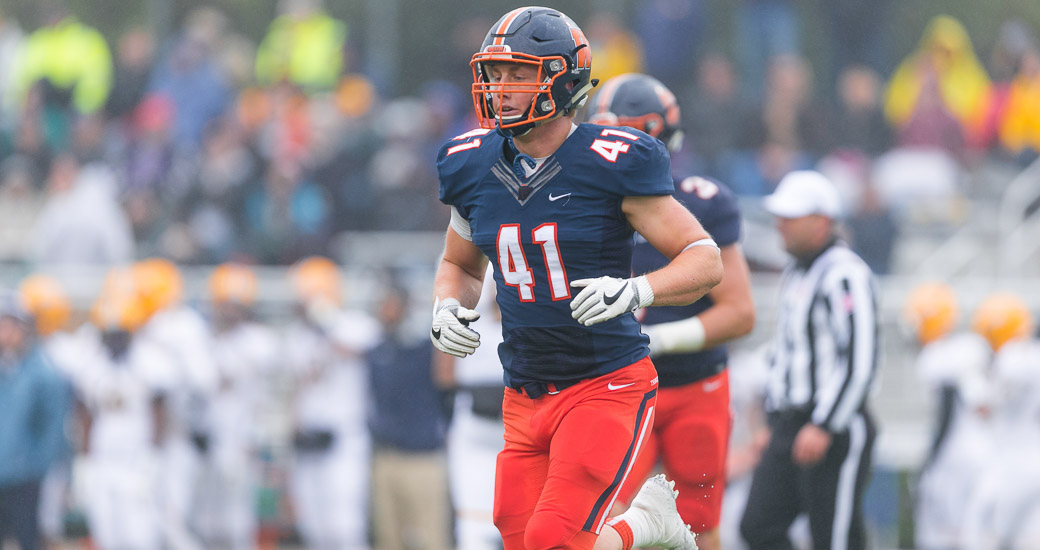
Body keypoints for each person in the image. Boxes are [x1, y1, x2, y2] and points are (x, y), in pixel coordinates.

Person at [431, 7, 723, 550]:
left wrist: (638, 290)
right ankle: (642, 525)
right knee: (522, 541)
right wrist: (446, 306)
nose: (501, 87)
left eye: (519, 72)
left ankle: (641, 525)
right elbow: (459, 265)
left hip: (602, 384)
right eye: (495, 73)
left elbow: (705, 258)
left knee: (552, 540)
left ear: (562, 79)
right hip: (522, 391)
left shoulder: (610, 161)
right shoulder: (469, 164)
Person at [586, 73, 756, 550]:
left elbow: (739, 313)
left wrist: (659, 339)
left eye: (618, 134)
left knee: (698, 524)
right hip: (616, 386)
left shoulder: (701, 203)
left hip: (690, 383)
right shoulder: (579, 203)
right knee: (605, 517)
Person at [739, 170, 879, 550]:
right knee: (758, 526)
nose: (780, 224)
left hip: (833, 426)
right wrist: (772, 416)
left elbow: (860, 360)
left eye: (791, 216)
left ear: (821, 221)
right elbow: (788, 353)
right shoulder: (797, 272)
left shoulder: (844, 273)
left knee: (833, 538)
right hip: (789, 423)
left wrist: (825, 424)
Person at [283, 256, 381, 550]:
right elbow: (298, 387)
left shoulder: (355, 324)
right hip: (309, 440)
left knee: (345, 525)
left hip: (345, 438)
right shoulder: (296, 336)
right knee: (313, 525)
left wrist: (325, 322)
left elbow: (360, 350)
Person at [901, 283, 993, 550]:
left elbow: (946, 415)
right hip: (983, 455)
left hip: (953, 462)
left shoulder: (935, 359)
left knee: (939, 537)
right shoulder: (971, 347)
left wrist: (929, 461)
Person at [368, 283, 454, 550]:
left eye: (390, 305)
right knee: (388, 538)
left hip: (424, 457)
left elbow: (447, 384)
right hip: (386, 456)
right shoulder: (378, 349)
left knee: (430, 538)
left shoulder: (426, 348)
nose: (384, 311)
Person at [0, 295, 69, 550]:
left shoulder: (42, 373)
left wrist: (37, 465)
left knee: (28, 537)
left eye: (8, 326)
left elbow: (52, 426)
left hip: (24, 476)